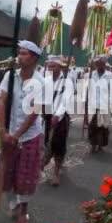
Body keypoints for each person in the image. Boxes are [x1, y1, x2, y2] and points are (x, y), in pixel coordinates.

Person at [0, 40, 45, 223]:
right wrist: (2, 131)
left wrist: (17, 135)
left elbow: (34, 113)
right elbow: (0, 101)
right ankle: (14, 203)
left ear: (33, 58)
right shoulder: (9, 76)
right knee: (6, 174)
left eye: (24, 53)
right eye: (19, 53)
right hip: (8, 134)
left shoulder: (41, 82)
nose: (19, 56)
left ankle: (24, 210)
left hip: (29, 136)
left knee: (25, 176)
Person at [42, 55, 71, 187]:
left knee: (58, 145)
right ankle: (43, 163)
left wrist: (57, 116)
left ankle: (56, 172)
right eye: (50, 66)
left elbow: (65, 101)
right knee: (46, 143)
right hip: (46, 117)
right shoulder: (45, 80)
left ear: (60, 67)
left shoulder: (67, 81)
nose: (51, 68)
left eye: (54, 66)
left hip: (61, 118)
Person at [87, 55, 112, 153]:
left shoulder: (110, 76)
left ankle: (100, 145)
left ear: (105, 64)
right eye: (98, 64)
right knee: (92, 126)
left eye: (102, 64)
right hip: (93, 104)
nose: (100, 66)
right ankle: (93, 145)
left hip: (105, 105)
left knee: (103, 127)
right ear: (95, 65)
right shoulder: (90, 75)